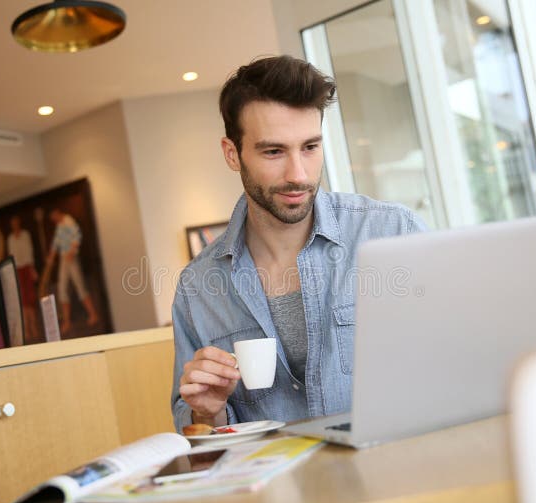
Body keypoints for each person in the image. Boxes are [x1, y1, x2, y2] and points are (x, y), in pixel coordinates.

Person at [171, 55, 427, 433]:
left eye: (310, 147)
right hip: (274, 490)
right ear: (232, 153)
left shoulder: (393, 232)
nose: (299, 174)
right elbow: (199, 437)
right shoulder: (198, 288)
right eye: (273, 151)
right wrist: (207, 414)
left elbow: (458, 363)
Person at [45, 208, 99, 334]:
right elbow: (56, 243)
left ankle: (93, 314)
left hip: (71, 257)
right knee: (62, 288)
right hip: (64, 258)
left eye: (54, 217)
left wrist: (72, 251)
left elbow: (77, 235)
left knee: (79, 286)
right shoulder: (59, 226)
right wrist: (51, 256)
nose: (54, 220)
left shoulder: (68, 221)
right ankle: (67, 321)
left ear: (57, 213)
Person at [7, 214, 41, 341]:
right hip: (17, 269)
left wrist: (32, 268)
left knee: (31, 298)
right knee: (22, 300)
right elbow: (11, 255)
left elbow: (29, 251)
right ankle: (26, 330)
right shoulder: (10, 238)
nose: (15, 225)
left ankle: (34, 327)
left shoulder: (25, 235)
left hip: (27, 267)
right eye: (13, 223)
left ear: (19, 222)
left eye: (16, 222)